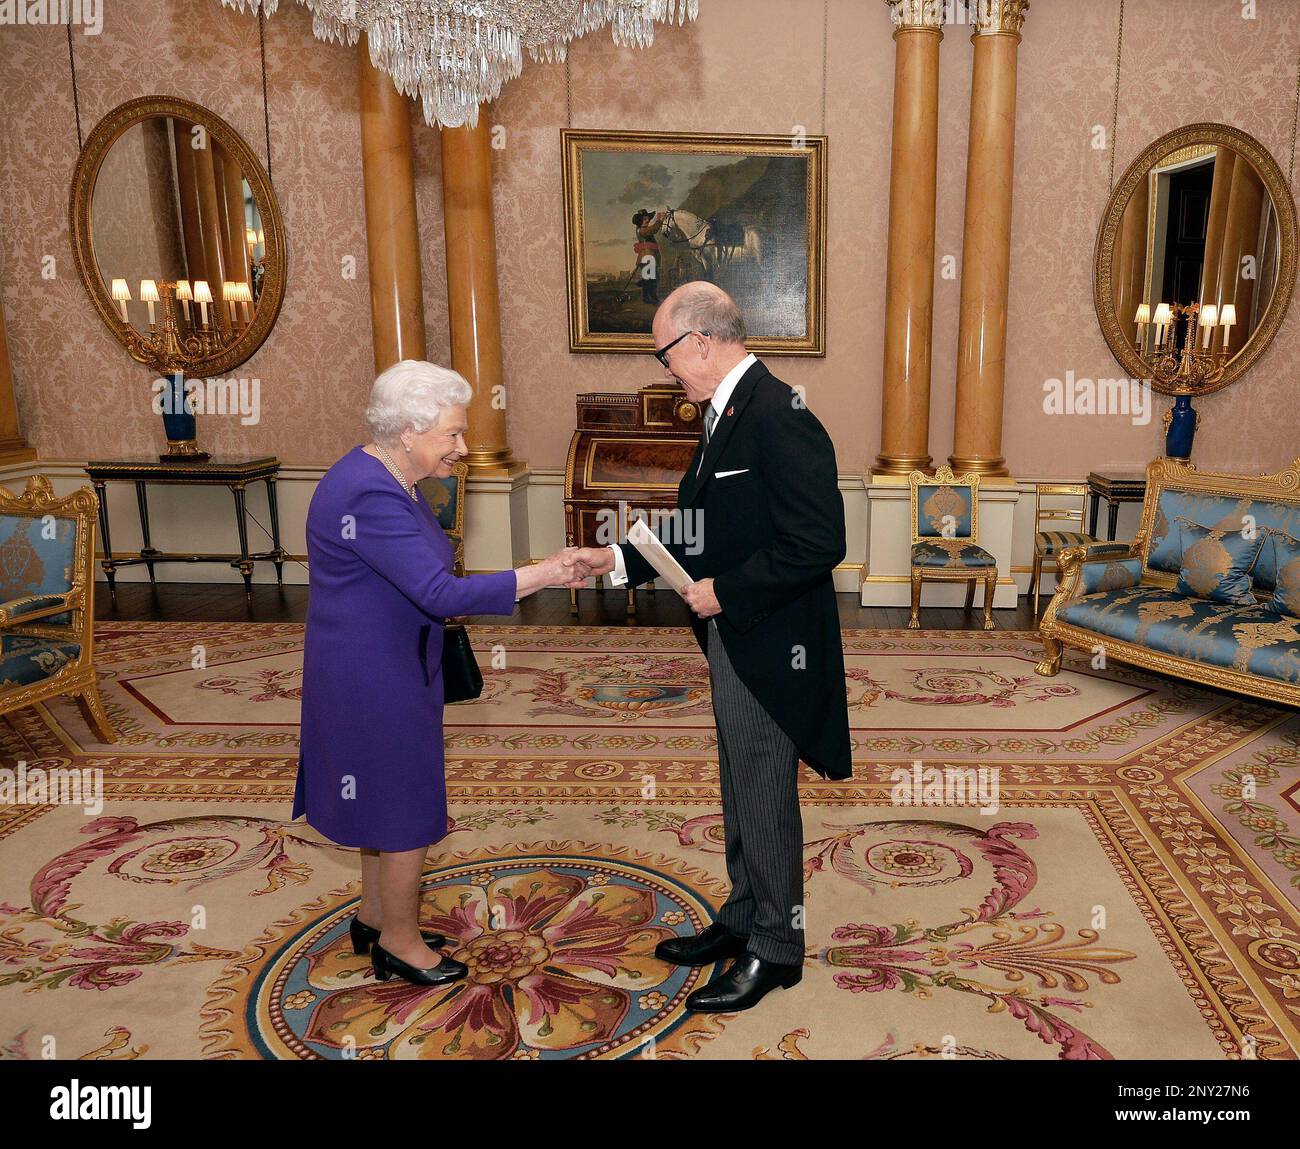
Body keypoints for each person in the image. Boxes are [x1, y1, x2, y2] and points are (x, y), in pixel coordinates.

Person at [575, 282, 851, 1013]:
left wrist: (728, 591)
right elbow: (710, 531)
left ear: (700, 341)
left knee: (764, 788)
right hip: (737, 636)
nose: (665, 370)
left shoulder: (779, 414)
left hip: (772, 640)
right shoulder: (725, 412)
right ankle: (742, 917)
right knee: (740, 782)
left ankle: (776, 948)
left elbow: (821, 541)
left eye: (666, 353)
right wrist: (618, 560)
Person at [293, 360, 586, 987]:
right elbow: (438, 593)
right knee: (402, 802)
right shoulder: (370, 491)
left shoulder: (378, 476)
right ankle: (399, 942)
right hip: (374, 676)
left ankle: (374, 918)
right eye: (452, 434)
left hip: (374, 661)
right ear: (407, 430)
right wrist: (543, 574)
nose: (462, 447)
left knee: (376, 794)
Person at [632, 208, 667, 305]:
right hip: (647, 258)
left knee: (649, 279)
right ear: (640, 221)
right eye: (644, 219)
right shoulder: (642, 230)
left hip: (648, 258)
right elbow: (654, 229)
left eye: (647, 218)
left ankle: (646, 297)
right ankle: (653, 299)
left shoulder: (643, 229)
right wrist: (660, 220)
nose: (647, 220)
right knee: (652, 280)